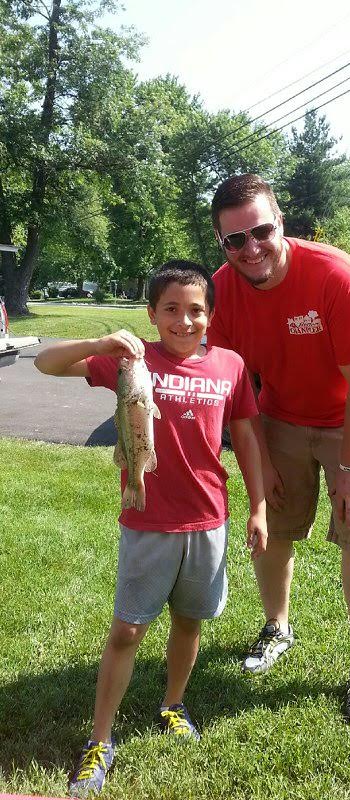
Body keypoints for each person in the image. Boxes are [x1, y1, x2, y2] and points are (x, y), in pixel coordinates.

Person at [34, 260, 267, 796]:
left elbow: (247, 438)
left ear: (211, 315)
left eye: (196, 311)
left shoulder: (229, 365)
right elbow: (46, 364)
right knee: (127, 630)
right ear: (151, 314)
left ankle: (172, 703)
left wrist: (258, 505)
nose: (184, 322)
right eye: (171, 310)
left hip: (209, 518)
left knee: (189, 622)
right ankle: (99, 739)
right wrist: (100, 341)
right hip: (148, 520)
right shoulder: (131, 359)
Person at [207, 174, 350, 724]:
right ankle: (277, 626)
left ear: (280, 223)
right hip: (281, 415)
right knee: (272, 522)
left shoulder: (333, 273)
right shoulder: (224, 289)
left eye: (260, 231)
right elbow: (232, 385)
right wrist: (260, 462)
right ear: (222, 243)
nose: (250, 249)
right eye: (234, 240)